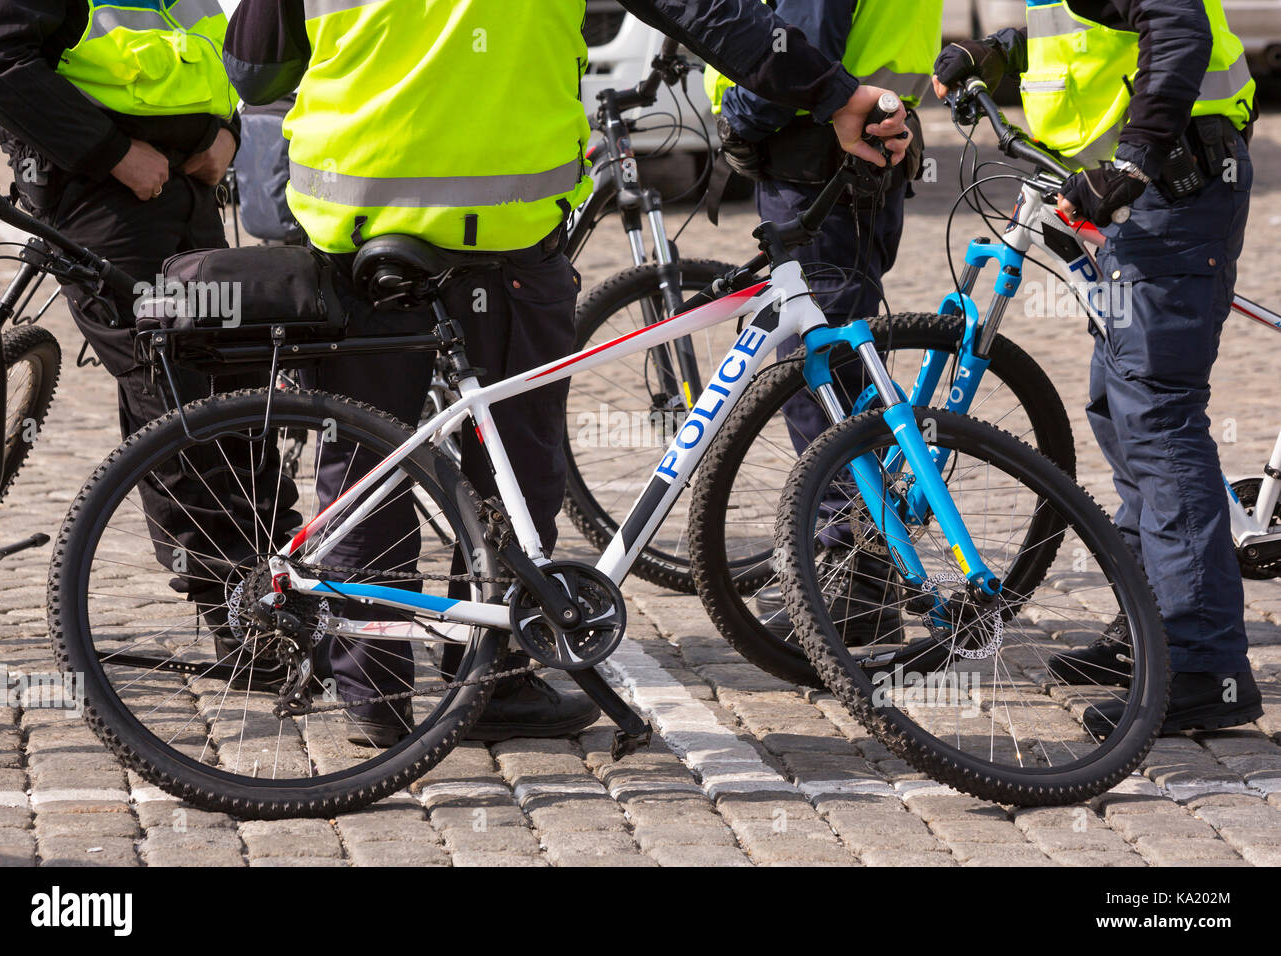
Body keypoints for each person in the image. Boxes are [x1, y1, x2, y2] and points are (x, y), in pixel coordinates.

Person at [224, 0, 910, 746]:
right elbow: (707, 14)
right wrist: (835, 92)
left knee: (369, 466)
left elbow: (255, 69)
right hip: (504, 228)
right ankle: (496, 681)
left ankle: (373, 696)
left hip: (356, 217)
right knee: (514, 466)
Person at [933, 0, 1260, 734]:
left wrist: (1133, 160)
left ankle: (1207, 668)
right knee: (1119, 405)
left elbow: (1179, 27)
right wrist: (1001, 52)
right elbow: (1088, 36)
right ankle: (1148, 627)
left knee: (1157, 414)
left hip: (1170, 184)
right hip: (1128, 196)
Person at [0, 0, 297, 650]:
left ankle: (278, 580)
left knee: (234, 379)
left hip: (183, 185)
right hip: (100, 191)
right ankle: (241, 615)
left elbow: (207, 63)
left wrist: (225, 131)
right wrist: (113, 152)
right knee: (177, 395)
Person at [705, 0, 943, 646]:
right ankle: (859, 567)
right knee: (836, 367)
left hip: (819, 162)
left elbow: (798, 41)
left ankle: (855, 577)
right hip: (853, 157)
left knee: (823, 378)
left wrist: (741, 120)